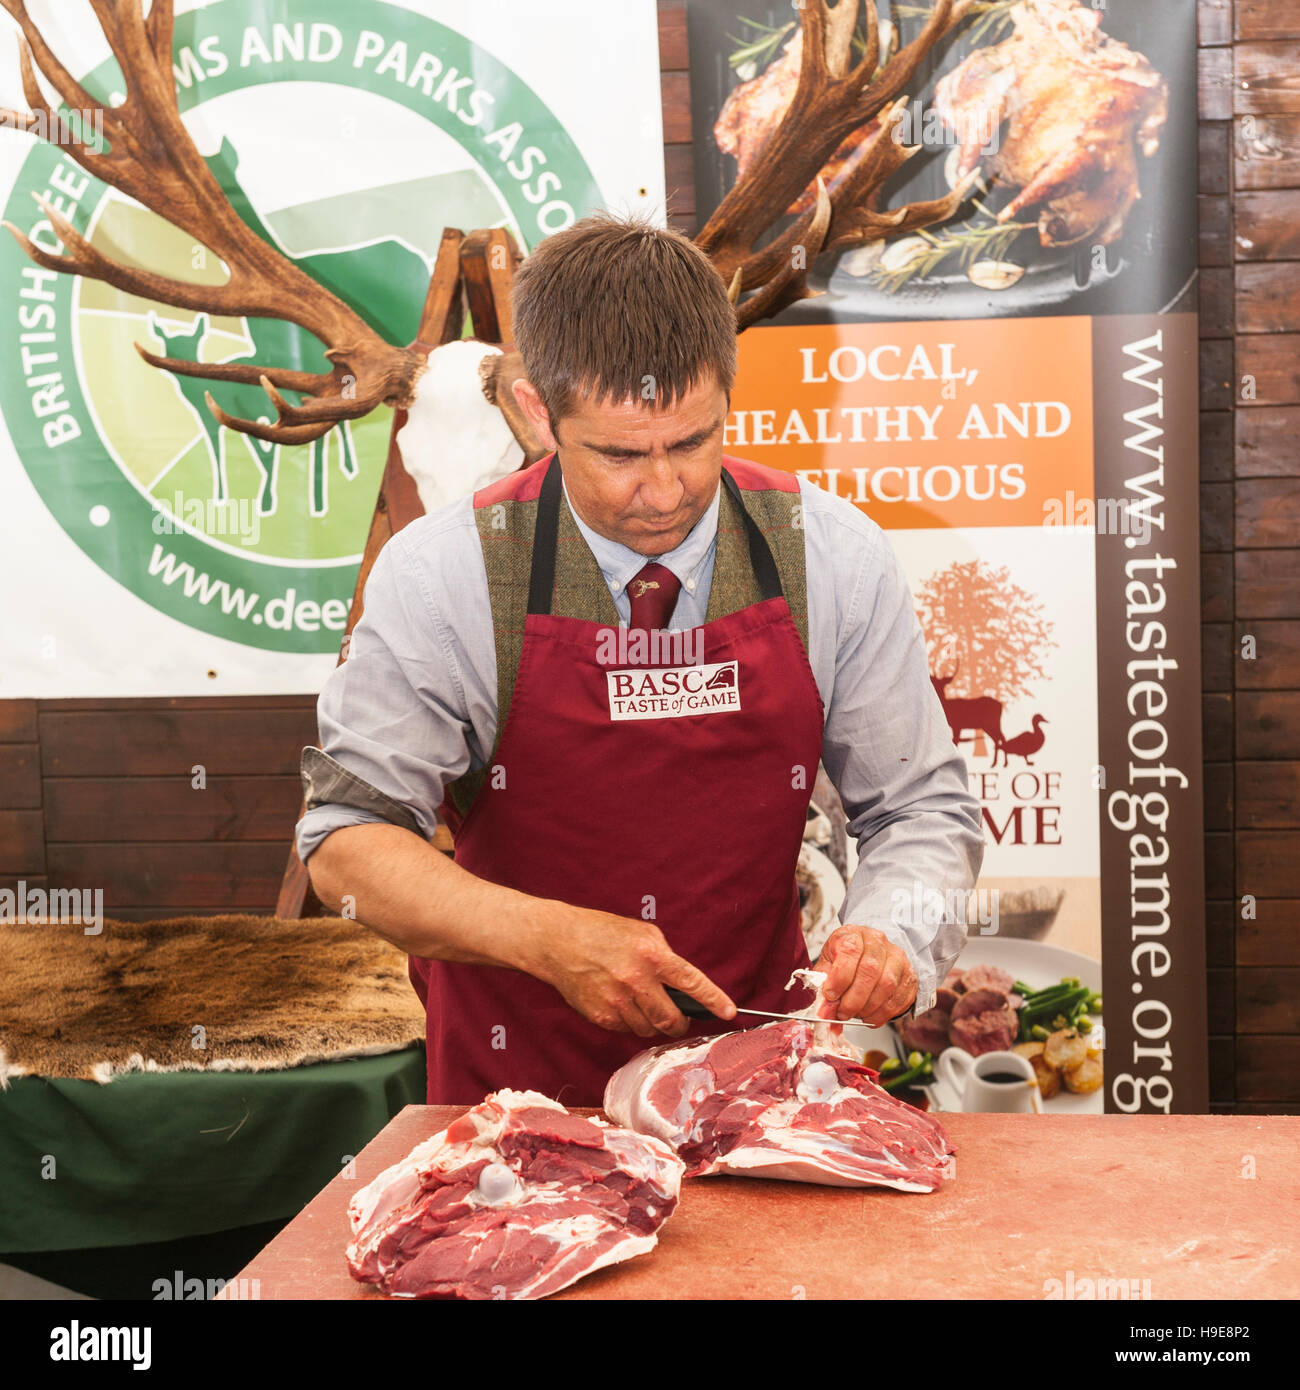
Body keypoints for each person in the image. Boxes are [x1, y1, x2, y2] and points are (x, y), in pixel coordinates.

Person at [296, 211, 984, 1106]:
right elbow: (347, 847)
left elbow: (919, 806)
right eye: (620, 454)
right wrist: (551, 941)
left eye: (693, 443)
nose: (663, 491)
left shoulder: (830, 554)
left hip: (755, 1077)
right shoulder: (447, 574)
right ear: (537, 410)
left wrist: (892, 932)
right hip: (515, 1095)